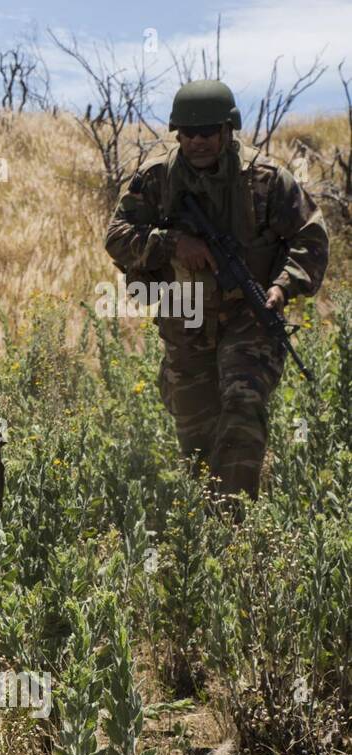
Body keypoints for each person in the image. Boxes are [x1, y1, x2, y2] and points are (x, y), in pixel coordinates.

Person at [105, 79, 328, 504]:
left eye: (208, 131)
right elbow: (116, 236)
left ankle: (236, 527)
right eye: (188, 133)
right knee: (195, 433)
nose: (198, 140)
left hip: (251, 315)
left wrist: (282, 288)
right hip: (185, 316)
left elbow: (309, 237)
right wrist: (172, 244)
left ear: (228, 131)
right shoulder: (157, 178)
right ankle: (204, 523)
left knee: (243, 403)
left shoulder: (266, 179)